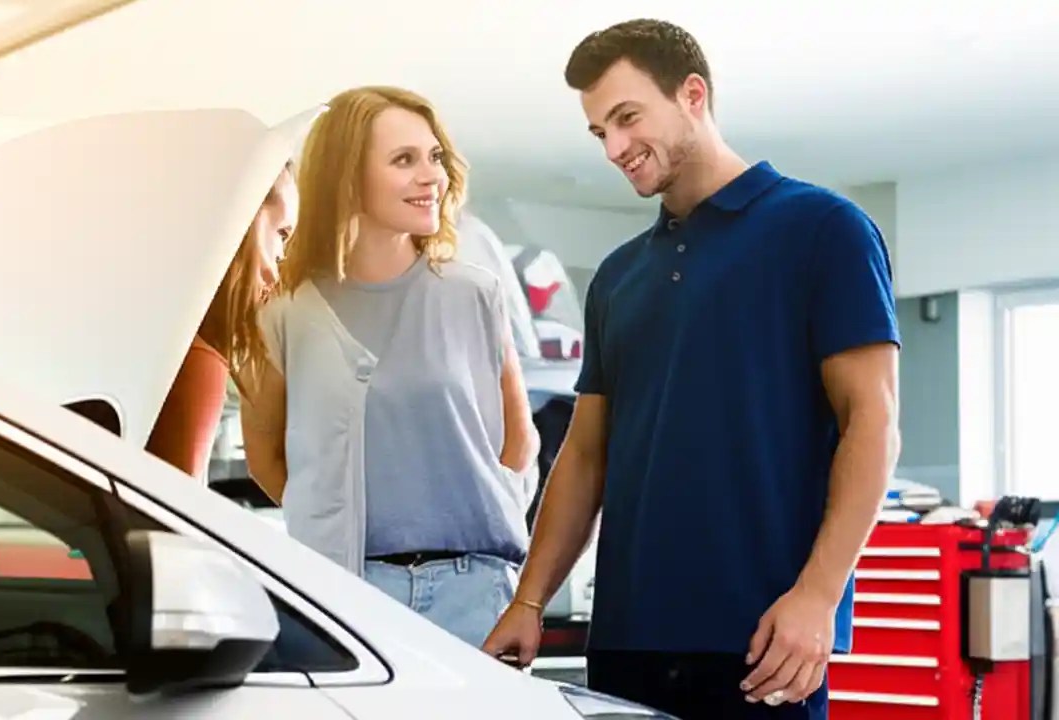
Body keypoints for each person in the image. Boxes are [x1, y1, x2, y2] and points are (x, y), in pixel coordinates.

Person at [481, 18, 901, 720]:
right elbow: (585, 456)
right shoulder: (617, 278)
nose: (614, 148)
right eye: (598, 132)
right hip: (625, 644)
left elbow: (874, 421)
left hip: (764, 642)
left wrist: (819, 596)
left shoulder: (824, 229)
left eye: (626, 117)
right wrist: (530, 600)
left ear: (693, 95)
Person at [239, 85, 540, 648]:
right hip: (345, 593)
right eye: (404, 160)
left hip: (472, 596)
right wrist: (344, 530)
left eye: (435, 158)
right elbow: (267, 459)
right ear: (348, 176)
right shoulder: (284, 312)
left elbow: (518, 444)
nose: (431, 176)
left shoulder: (476, 294)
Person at [145, 161, 298, 479]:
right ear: (242, 221)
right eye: (282, 232)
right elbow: (178, 518)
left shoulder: (153, 340)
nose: (282, 257)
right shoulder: (195, 360)